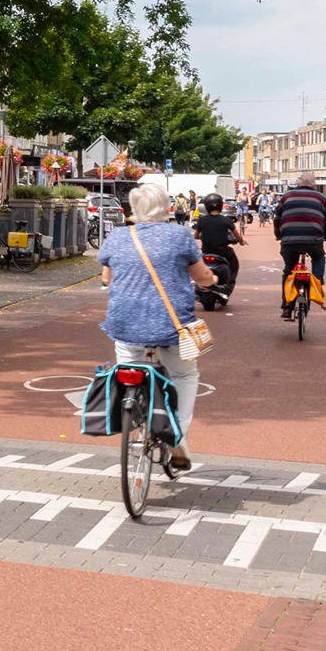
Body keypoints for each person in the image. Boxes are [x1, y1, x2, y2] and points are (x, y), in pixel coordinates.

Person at [97, 183, 215, 470]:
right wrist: (210, 281)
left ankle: (133, 410)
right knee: (184, 376)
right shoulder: (179, 236)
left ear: (133, 209)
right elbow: (201, 276)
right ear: (166, 208)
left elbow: (106, 278)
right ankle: (177, 435)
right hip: (172, 327)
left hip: (125, 325)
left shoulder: (117, 236)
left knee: (128, 370)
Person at [274, 171, 326, 319]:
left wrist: (279, 236)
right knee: (319, 257)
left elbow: (277, 218)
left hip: (290, 241)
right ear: (314, 184)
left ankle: (287, 307)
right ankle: (317, 281)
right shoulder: (321, 198)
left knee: (288, 271)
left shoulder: (287, 196)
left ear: (299, 182)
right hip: (314, 240)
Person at [193, 192, 244, 286]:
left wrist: (205, 236)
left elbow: (196, 236)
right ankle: (230, 282)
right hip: (222, 252)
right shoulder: (226, 220)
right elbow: (237, 236)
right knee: (233, 263)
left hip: (206, 251)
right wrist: (242, 242)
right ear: (220, 205)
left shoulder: (202, 220)